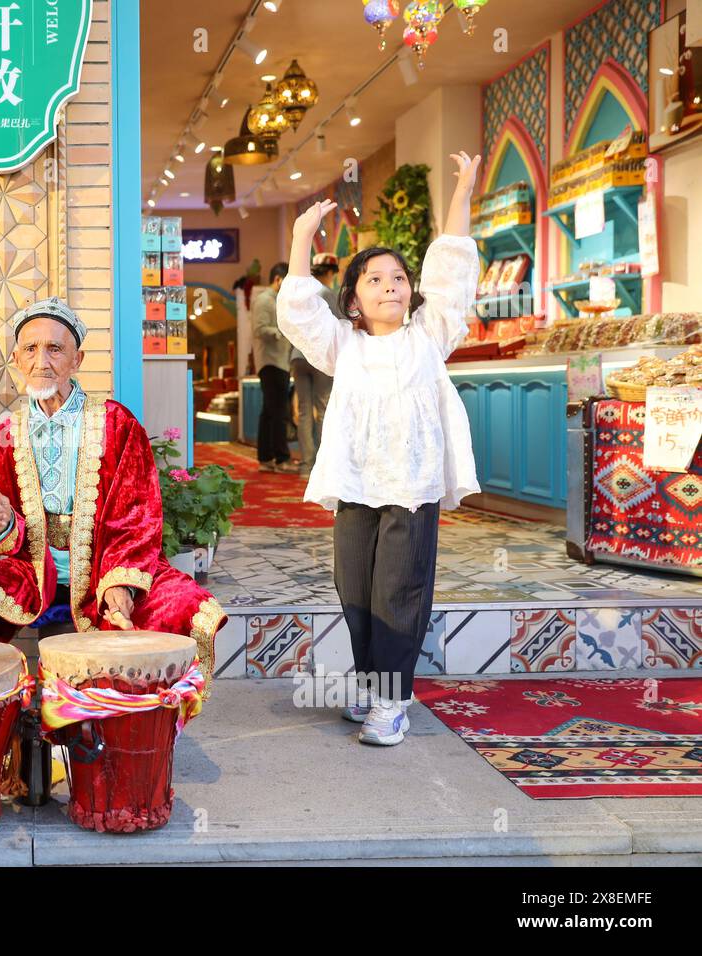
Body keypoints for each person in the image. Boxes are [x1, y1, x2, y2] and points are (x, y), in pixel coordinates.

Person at [0, 296, 227, 685]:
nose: (42, 361)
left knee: (183, 604)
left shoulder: (116, 424)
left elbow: (139, 516)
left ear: (77, 360)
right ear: (17, 360)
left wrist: (119, 584)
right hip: (32, 575)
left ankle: (120, 729)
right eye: (31, 349)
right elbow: (4, 539)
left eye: (55, 349)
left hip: (104, 569)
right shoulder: (5, 437)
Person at [276, 152, 483, 746]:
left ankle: (393, 700)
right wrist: (298, 238)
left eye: (398, 278)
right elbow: (298, 309)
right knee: (355, 585)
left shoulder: (431, 335)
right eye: (375, 280)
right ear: (353, 299)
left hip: (412, 485)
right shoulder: (342, 345)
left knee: (401, 586)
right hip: (358, 481)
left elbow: (452, 265)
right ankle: (371, 683)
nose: (390, 286)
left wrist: (463, 188)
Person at [289, 254, 340, 477]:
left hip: (298, 356)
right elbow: (340, 326)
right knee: (323, 410)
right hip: (319, 357)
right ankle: (322, 465)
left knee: (304, 412)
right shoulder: (329, 295)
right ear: (330, 272)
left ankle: (306, 465)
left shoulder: (303, 294)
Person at [252, 262, 297, 473]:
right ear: (278, 279)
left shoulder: (278, 300)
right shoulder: (264, 300)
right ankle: (281, 459)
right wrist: (280, 332)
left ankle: (266, 457)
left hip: (279, 361)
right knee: (279, 411)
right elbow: (259, 329)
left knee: (270, 412)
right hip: (270, 361)